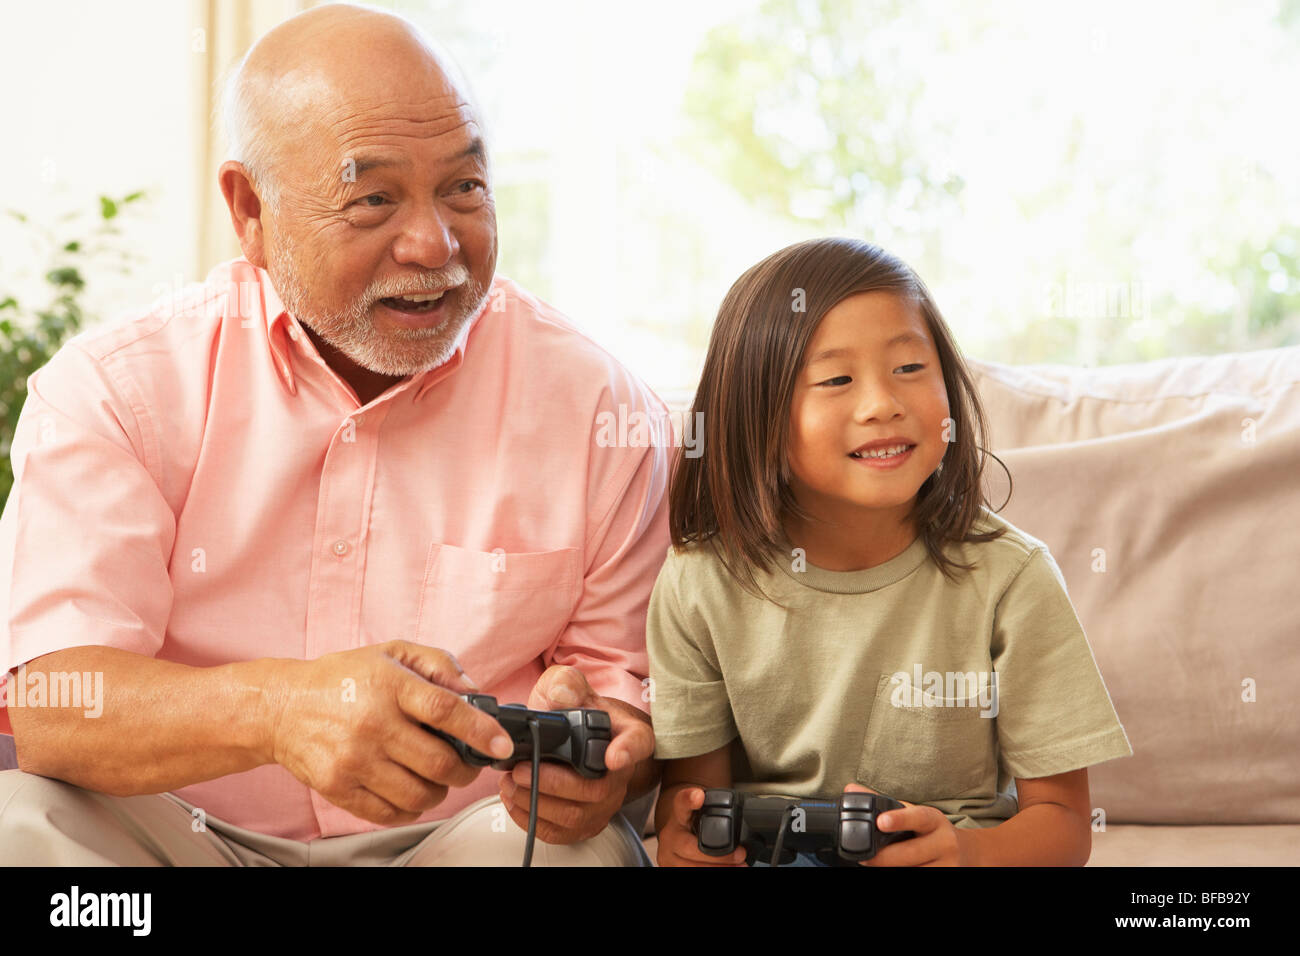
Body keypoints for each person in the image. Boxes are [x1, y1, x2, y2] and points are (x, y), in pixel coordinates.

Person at [0, 4, 668, 866]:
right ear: (251, 209)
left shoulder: (598, 405)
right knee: (19, 821)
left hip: (461, 843)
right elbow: (54, 702)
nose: (435, 245)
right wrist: (276, 711)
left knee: (585, 854)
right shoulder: (116, 390)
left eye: (464, 187)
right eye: (374, 198)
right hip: (185, 841)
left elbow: (627, 697)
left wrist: (608, 764)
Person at [649, 237, 1133, 866]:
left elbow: (1064, 825)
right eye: (836, 379)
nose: (883, 404)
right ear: (755, 415)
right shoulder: (700, 582)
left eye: (909, 369)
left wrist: (966, 853)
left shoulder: (1011, 577)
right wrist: (686, 846)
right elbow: (689, 804)